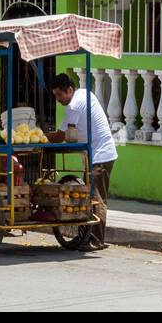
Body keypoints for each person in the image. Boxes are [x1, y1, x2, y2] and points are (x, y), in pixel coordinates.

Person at [50, 72, 117, 250]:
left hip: (100, 155)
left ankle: (96, 240)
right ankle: (95, 237)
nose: (57, 99)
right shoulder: (86, 93)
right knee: (97, 196)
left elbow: (59, 136)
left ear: (70, 89)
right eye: (55, 95)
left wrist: (40, 136)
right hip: (103, 152)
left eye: (59, 94)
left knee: (96, 198)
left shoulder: (74, 105)